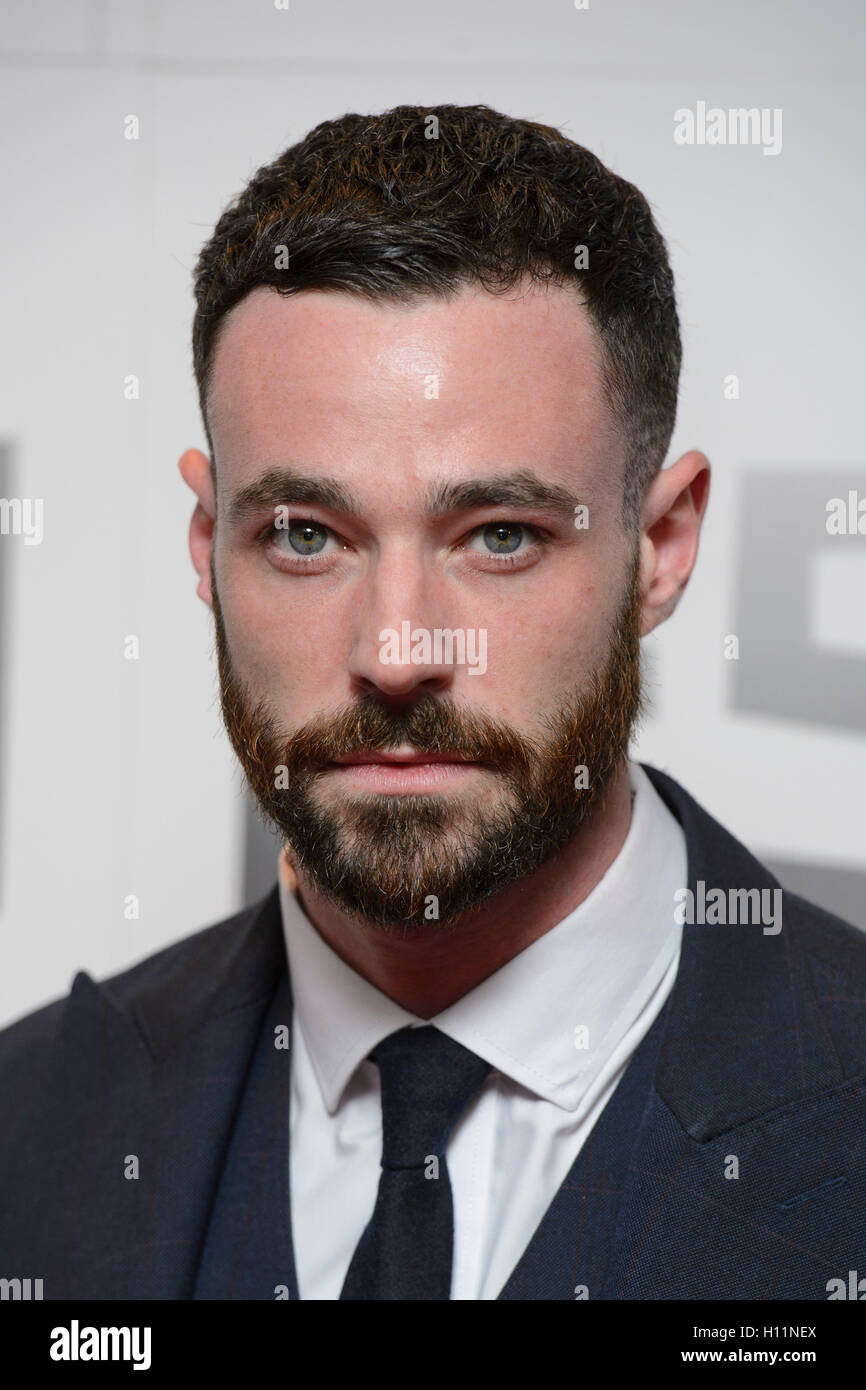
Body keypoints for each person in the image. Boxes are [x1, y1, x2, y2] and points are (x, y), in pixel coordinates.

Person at [2, 104, 864, 1302]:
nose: (397, 651)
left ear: (659, 548)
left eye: (499, 535)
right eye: (306, 535)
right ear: (208, 547)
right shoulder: (33, 1124)